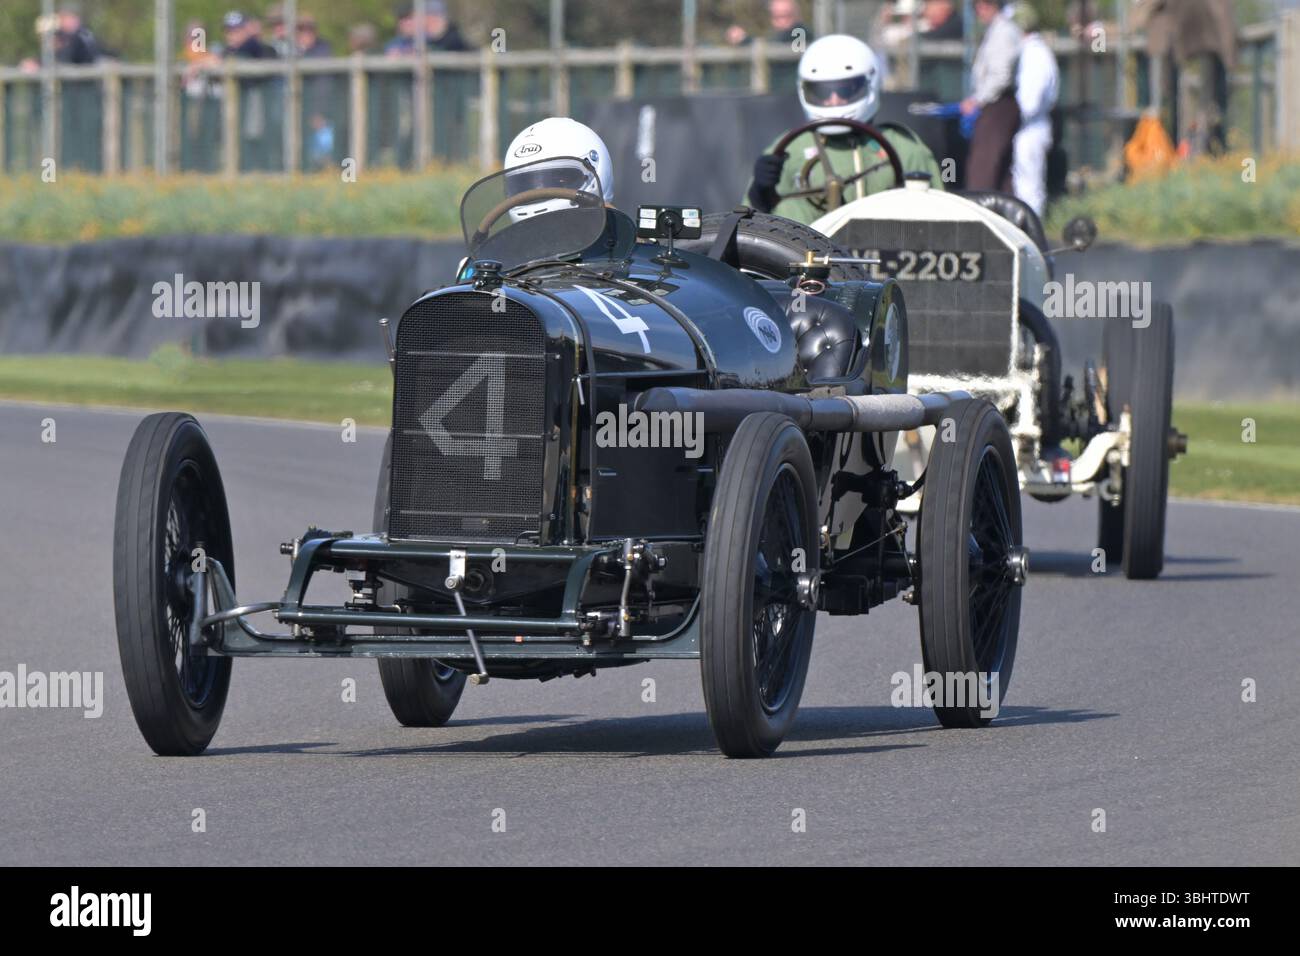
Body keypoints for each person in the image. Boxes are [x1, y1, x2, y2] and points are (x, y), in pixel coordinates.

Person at [744, 34, 944, 225]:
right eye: (822, 92)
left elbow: (941, 215)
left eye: (845, 90)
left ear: (870, 84)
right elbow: (751, 229)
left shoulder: (902, 146)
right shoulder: (789, 149)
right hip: (805, 257)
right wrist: (759, 192)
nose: (834, 101)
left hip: (885, 255)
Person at [502, 117, 614, 222]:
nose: (538, 194)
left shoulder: (622, 238)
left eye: (560, 180)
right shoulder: (514, 241)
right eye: (523, 185)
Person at [962, 0, 1022, 192]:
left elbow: (1001, 76)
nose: (980, 10)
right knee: (998, 169)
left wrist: (977, 100)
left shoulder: (1003, 31)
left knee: (983, 168)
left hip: (999, 105)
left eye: (984, 5)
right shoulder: (995, 30)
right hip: (994, 103)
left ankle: (980, 215)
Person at [1011, 3, 1058, 216]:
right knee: (1023, 182)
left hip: (1032, 128)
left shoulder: (1035, 55)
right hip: (1028, 127)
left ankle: (1032, 229)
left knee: (1030, 186)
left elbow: (1030, 101)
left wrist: (1013, 115)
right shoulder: (1031, 52)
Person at [726, 0, 811, 47]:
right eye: (776, 17)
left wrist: (745, 40)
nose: (782, 22)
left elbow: (777, 46)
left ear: (796, 15)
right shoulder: (775, 36)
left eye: (786, 16)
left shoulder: (801, 32)